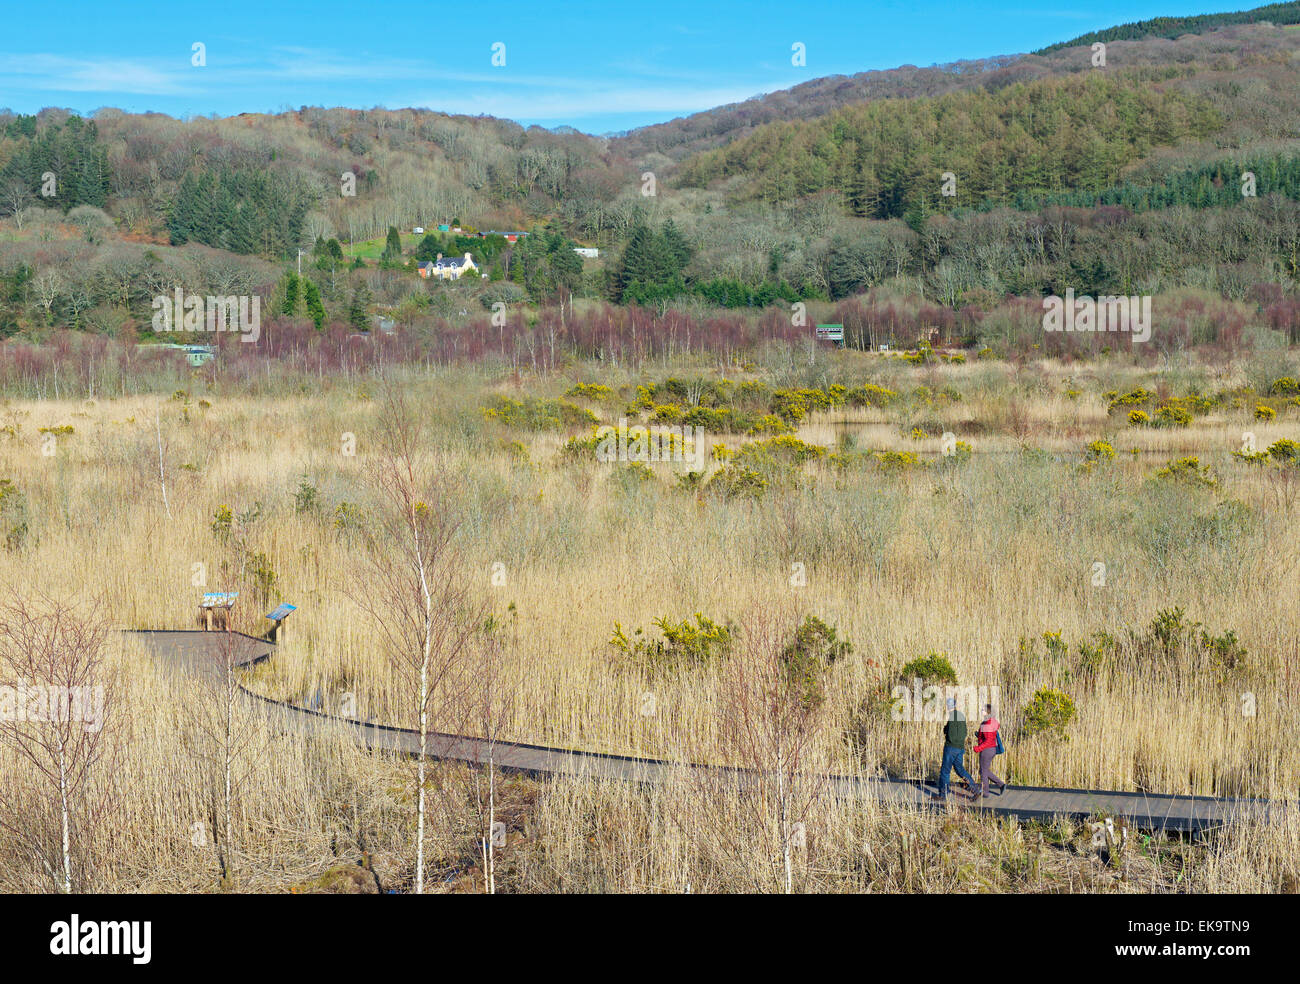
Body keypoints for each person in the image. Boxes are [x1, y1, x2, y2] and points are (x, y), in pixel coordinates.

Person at [936, 697, 978, 800]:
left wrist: (947, 734)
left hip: (951, 747)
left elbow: (949, 733)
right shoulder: (961, 715)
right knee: (960, 770)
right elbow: (964, 732)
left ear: (948, 706)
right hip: (960, 748)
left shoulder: (952, 717)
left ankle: (943, 794)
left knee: (945, 771)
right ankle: (975, 789)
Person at [974, 704, 1007, 797]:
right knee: (984, 770)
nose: (981, 711)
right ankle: (1001, 785)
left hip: (986, 750)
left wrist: (978, 748)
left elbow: (988, 741)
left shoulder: (987, 723)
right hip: (992, 749)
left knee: (983, 772)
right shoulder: (992, 721)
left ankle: (985, 792)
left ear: (987, 712)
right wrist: (979, 735)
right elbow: (989, 737)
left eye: (983, 710)